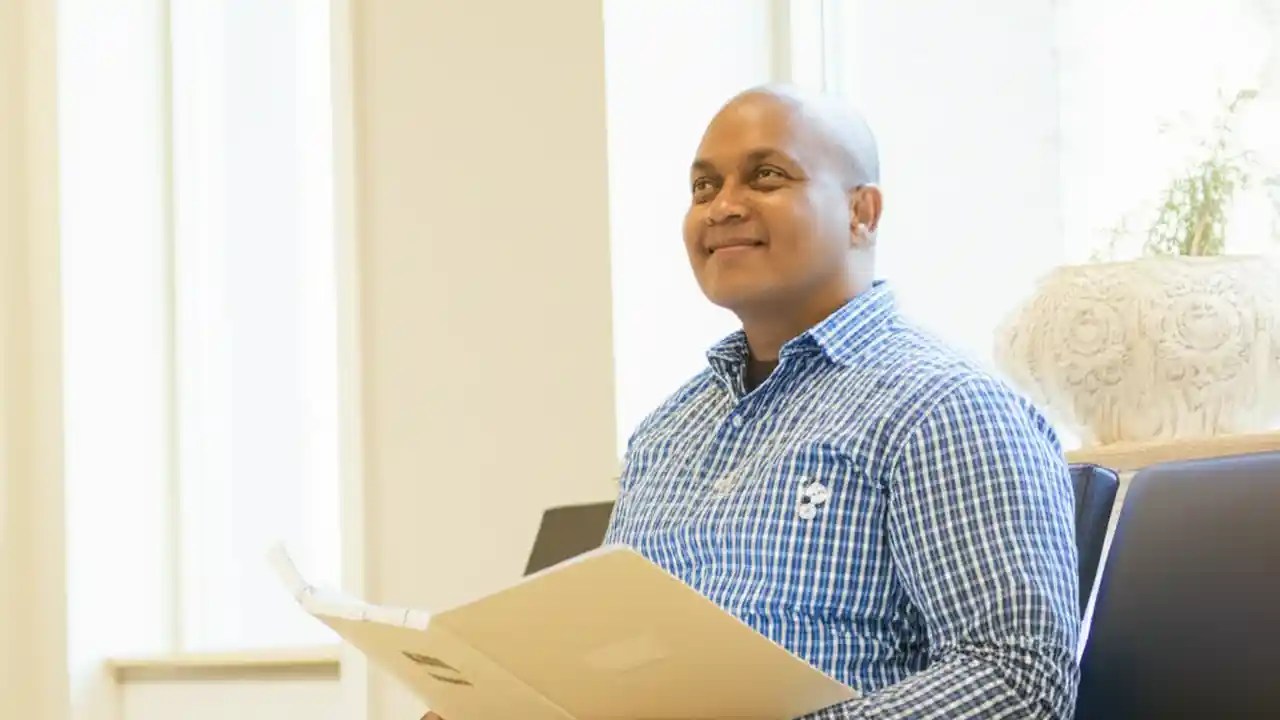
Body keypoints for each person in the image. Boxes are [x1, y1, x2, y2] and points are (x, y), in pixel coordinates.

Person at [426, 84, 1080, 720]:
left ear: (861, 213)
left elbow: (1018, 679)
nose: (722, 208)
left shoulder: (946, 407)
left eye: (766, 176)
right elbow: (607, 665)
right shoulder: (666, 432)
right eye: (703, 187)